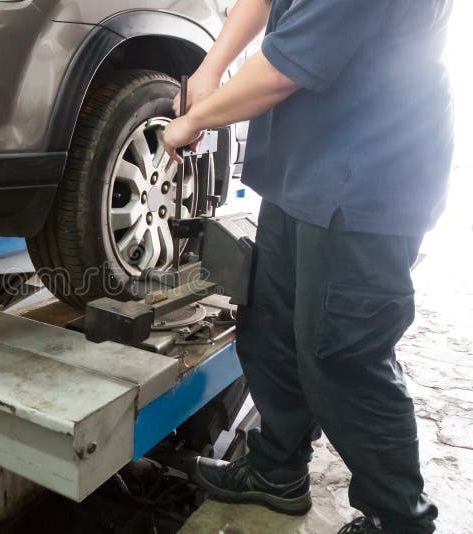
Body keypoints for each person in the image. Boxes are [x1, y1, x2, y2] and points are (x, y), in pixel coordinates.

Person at [162, 1, 454, 532]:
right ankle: (277, 469)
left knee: (344, 355)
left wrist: (195, 119)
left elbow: (283, 69)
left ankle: (400, 520)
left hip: (368, 177)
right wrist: (209, 70)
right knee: (271, 323)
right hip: (304, 167)